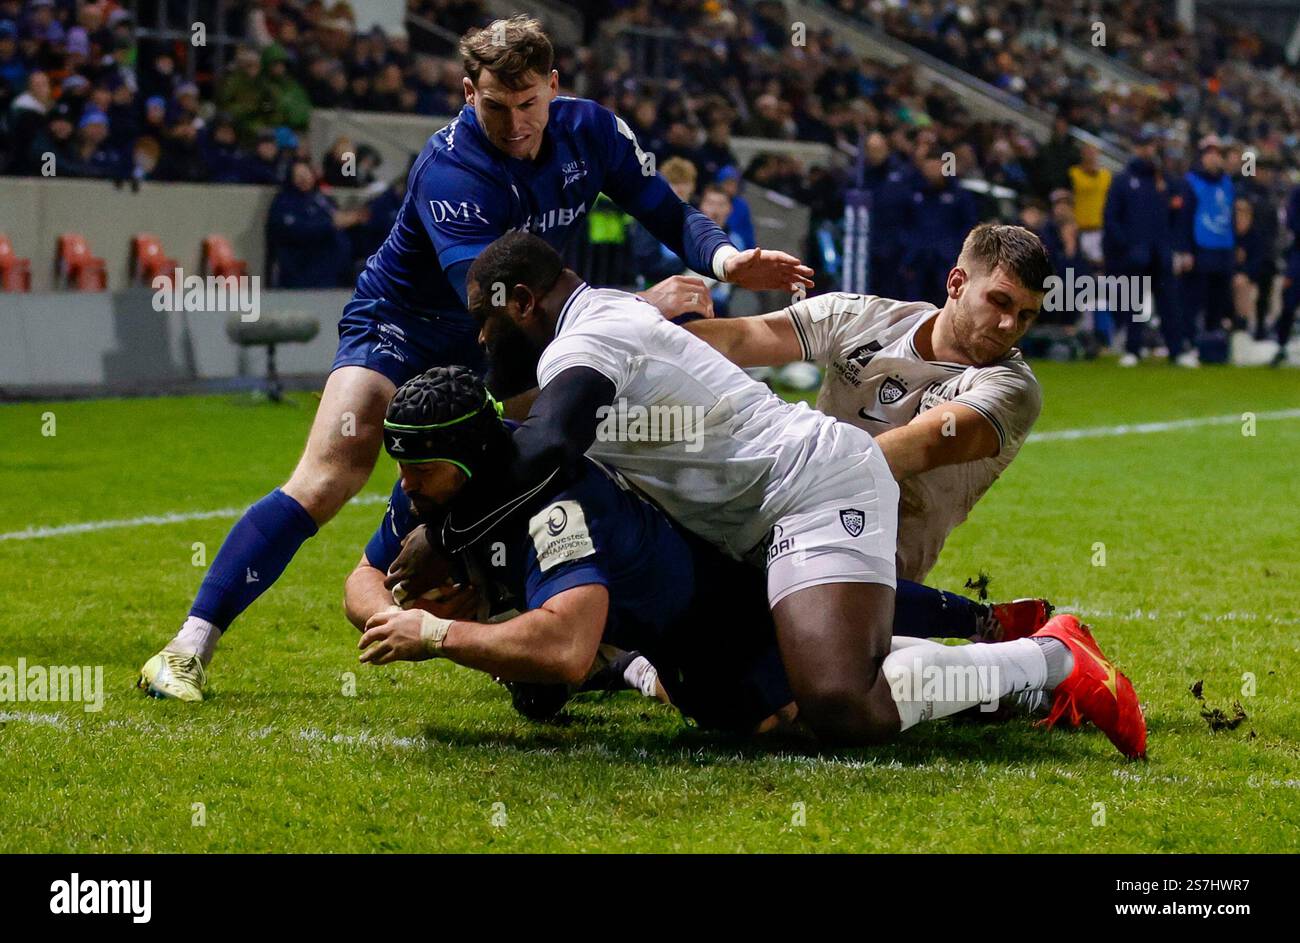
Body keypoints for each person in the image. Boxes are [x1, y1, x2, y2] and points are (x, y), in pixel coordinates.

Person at [138, 15, 810, 702]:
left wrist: (729, 258)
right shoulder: (451, 168)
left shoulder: (592, 131)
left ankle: (611, 647)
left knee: (576, 458)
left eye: (528, 104)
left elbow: (662, 209)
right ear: (466, 92)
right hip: (407, 322)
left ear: (553, 86)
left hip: (509, 331)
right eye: (496, 105)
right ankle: (189, 645)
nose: (516, 123)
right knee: (332, 471)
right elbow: (489, 294)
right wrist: (642, 302)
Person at [458, 228, 1146, 756]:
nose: (1008, 326)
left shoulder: (1014, 385)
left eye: (1024, 316)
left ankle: (1039, 654)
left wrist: (785, 456)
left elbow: (921, 444)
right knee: (738, 701)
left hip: (853, 522)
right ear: (957, 281)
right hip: (781, 511)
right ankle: (1004, 661)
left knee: (838, 704)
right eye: (1000, 303)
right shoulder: (866, 316)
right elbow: (745, 336)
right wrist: (649, 321)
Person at [353, 368, 1059, 736]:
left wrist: (438, 632)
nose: (406, 484)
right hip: (673, 608)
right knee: (746, 678)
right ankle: (1004, 655)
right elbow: (362, 577)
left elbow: (566, 644)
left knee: (820, 710)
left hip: (715, 603)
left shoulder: (551, 504)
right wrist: (389, 608)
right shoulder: (430, 491)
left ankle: (1036, 663)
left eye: (420, 469)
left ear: (471, 458)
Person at [1102, 130, 1191, 366]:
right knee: (1134, 303)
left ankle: (1176, 350)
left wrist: (1175, 246)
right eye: (1144, 146)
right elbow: (1111, 217)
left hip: (1161, 252)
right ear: (1136, 148)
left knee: (1169, 303)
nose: (1149, 151)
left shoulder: (1165, 180)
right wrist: (1126, 245)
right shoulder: (1123, 180)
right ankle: (1133, 349)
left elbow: (1178, 213)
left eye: (1152, 146)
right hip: (1136, 253)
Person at [1176, 135, 1236, 337]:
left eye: (1217, 154)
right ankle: (1189, 338)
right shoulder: (1191, 182)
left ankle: (1212, 338)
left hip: (1224, 246)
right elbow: (1183, 218)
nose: (1214, 158)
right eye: (1209, 153)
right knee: (1194, 296)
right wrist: (1185, 250)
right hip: (1201, 246)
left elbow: (1232, 214)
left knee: (1219, 297)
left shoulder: (1227, 182)